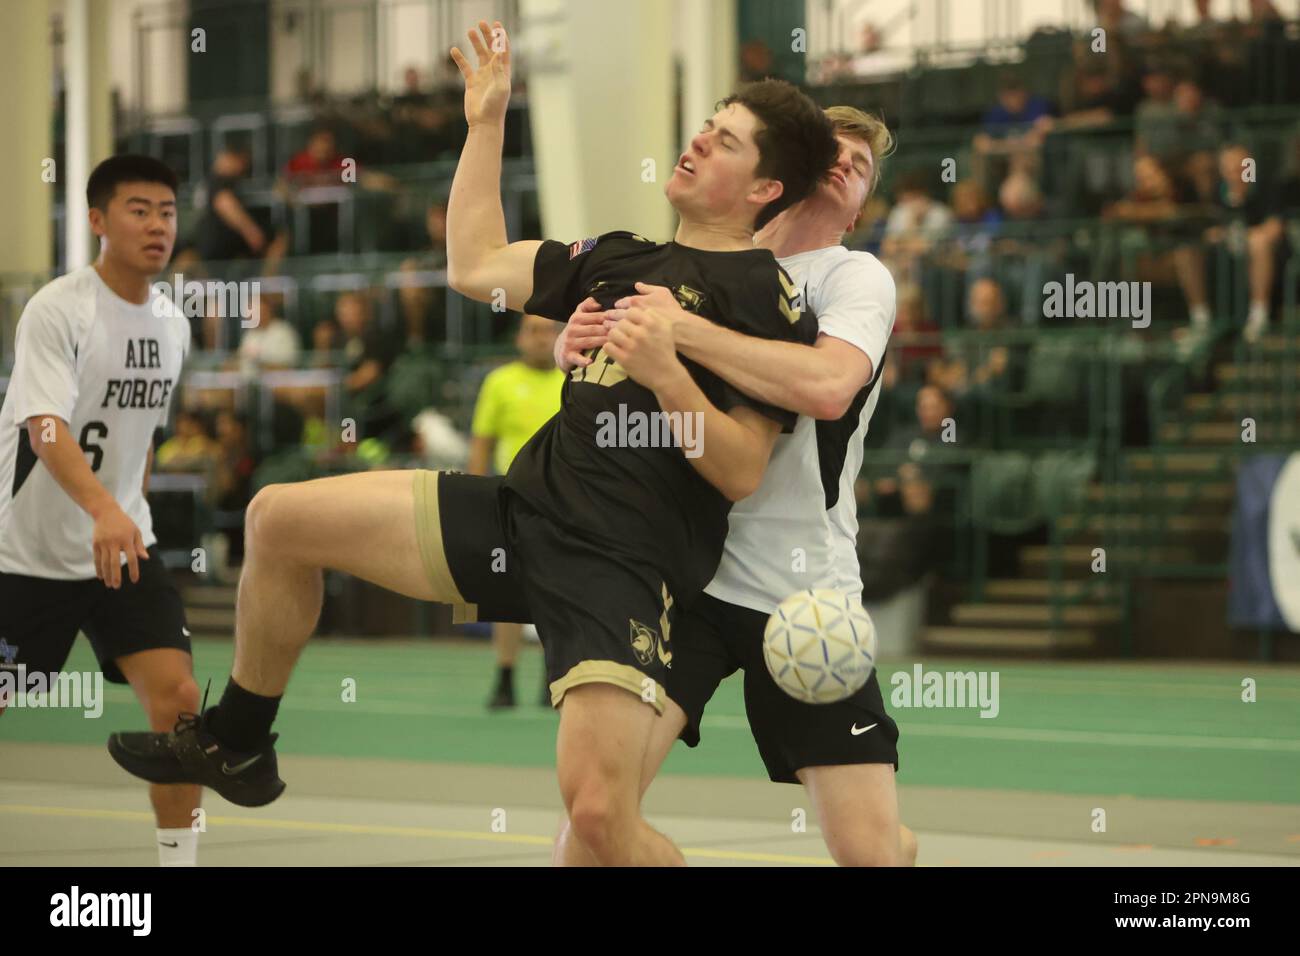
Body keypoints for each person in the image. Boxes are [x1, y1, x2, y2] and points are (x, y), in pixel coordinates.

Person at [107, 21, 834, 868]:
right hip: (518, 517)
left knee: (599, 819)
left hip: (621, 567)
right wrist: (486, 122)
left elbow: (742, 470)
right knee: (276, 519)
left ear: (764, 187)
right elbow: (475, 261)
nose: (701, 137)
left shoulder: (764, 294)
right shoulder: (622, 258)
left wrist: (669, 376)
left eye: (728, 140)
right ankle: (238, 737)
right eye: (709, 121)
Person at [551, 105, 917, 866]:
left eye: (864, 167)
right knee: (593, 823)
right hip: (683, 577)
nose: (849, 164)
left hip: (802, 597)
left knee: (870, 854)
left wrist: (680, 332)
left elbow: (826, 388)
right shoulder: (699, 264)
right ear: (781, 175)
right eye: (836, 152)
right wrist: (575, 342)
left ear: (861, 207)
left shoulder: (856, 276)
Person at [0, 155, 200, 866]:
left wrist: (125, 512)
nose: (156, 225)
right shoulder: (58, 309)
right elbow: (44, 427)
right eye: (138, 209)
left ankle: (178, 863)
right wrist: (100, 510)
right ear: (96, 220)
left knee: (180, 704)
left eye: (167, 211)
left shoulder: (173, 325)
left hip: (123, 549)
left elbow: (140, 440)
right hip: (25, 555)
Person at [468, 314, 564, 709]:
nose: (540, 338)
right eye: (532, 331)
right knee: (506, 592)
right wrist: (474, 496)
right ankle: (505, 679)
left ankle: (551, 679)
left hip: (563, 502)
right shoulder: (498, 382)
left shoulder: (573, 378)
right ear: (520, 338)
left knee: (558, 593)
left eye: (547, 331)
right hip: (510, 500)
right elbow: (481, 443)